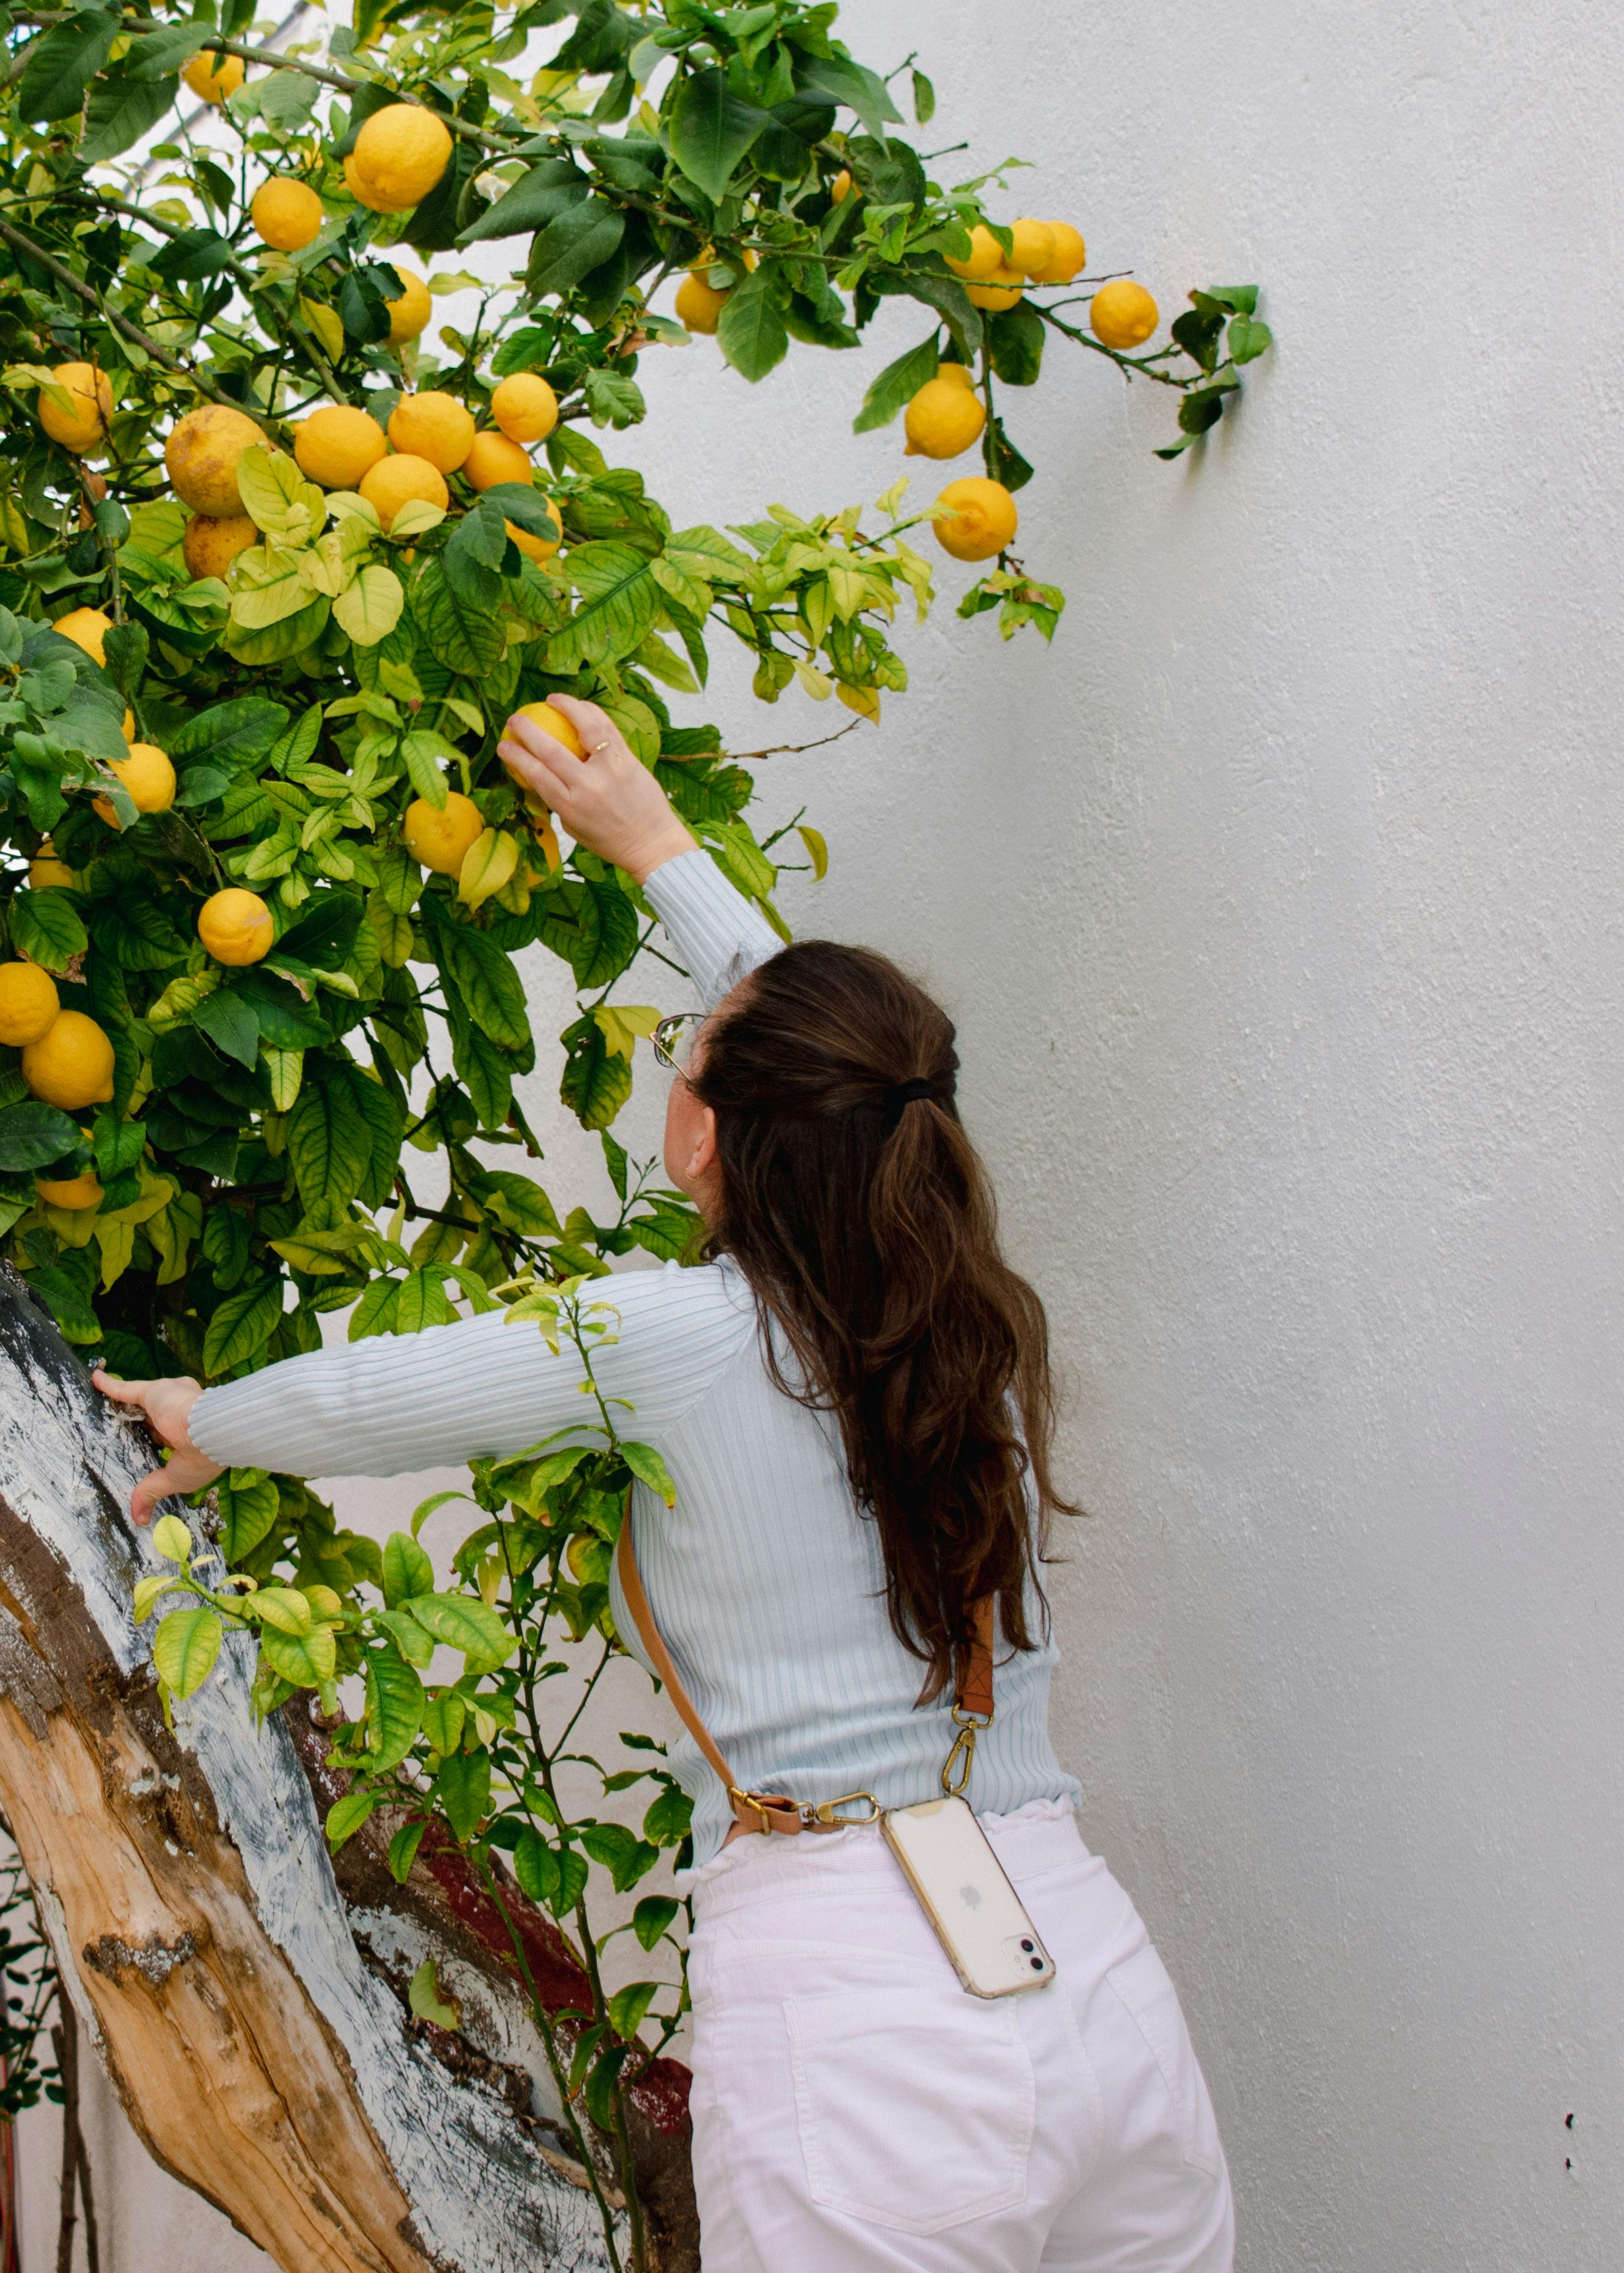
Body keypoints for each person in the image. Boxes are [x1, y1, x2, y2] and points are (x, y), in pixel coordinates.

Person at [93, 696, 1236, 2270]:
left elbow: (388, 1390)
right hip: (1087, 1970)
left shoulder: (674, 1336)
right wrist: (659, 850)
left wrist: (209, 1412)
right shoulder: (956, 1319)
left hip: (860, 2011)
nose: (678, 1055)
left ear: (710, 1137)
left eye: (688, 1052)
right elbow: (830, 1051)